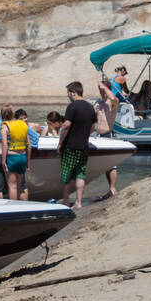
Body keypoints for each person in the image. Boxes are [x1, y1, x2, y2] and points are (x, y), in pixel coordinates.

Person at [57, 81, 96, 210]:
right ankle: (78, 202)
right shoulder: (90, 107)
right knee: (80, 174)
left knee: (66, 173)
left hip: (70, 146)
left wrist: (60, 142)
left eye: (68, 93)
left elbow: (66, 125)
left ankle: (66, 202)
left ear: (73, 92)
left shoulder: (72, 106)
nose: (68, 95)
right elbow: (92, 127)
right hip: (83, 146)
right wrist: (84, 135)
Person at [93, 76, 120, 201]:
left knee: (112, 165)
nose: (102, 94)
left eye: (103, 91)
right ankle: (110, 189)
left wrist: (104, 86)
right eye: (100, 92)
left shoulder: (111, 103)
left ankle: (113, 189)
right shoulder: (98, 103)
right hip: (99, 136)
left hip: (109, 135)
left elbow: (114, 98)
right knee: (105, 165)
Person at [0, 103, 32, 202]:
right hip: (23, 157)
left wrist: (3, 161)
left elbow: (4, 145)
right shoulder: (23, 124)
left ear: (2, 115)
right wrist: (28, 163)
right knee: (20, 185)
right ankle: (23, 208)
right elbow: (29, 145)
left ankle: (14, 208)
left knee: (12, 186)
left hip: (12, 158)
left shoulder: (5, 126)